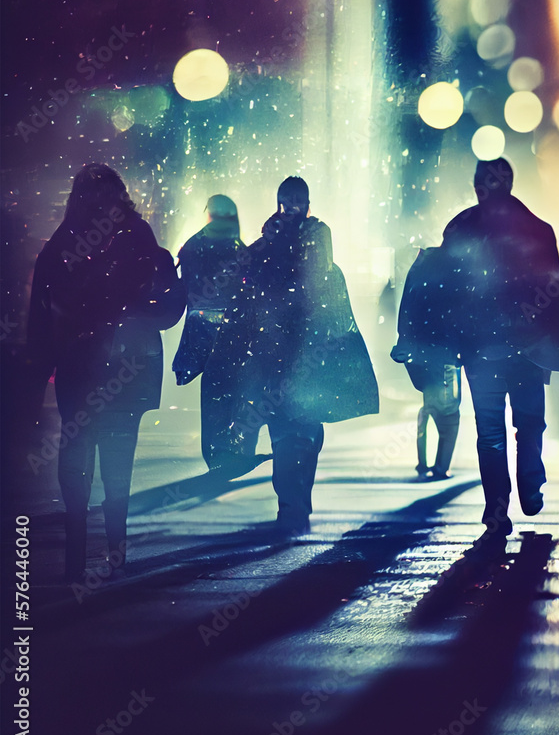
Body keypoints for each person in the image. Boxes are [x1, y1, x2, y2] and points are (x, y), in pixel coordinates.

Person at [26, 164, 185, 581]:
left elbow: (42, 320)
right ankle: (113, 553)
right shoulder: (135, 236)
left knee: (80, 456)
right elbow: (166, 305)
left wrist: (36, 375)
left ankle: (81, 559)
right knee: (114, 460)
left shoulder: (64, 244)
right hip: (122, 370)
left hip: (86, 369)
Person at [221, 176, 378, 534]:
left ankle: (295, 500)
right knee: (289, 428)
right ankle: (291, 503)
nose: (292, 207)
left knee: (302, 426)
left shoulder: (300, 243)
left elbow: (319, 288)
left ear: (306, 203)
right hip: (283, 353)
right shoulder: (269, 247)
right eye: (287, 200)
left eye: (297, 200)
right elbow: (251, 297)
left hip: (302, 352)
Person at [442, 158, 559, 550]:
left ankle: (497, 510)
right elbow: (553, 291)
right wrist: (557, 341)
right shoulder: (537, 229)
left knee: (491, 433)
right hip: (528, 348)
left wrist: (448, 341)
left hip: (481, 349)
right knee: (529, 423)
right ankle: (530, 485)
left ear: (477, 185)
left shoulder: (461, 228)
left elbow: (445, 292)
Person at [172, 194, 247, 469]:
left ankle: (216, 451)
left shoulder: (193, 246)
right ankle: (228, 449)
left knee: (215, 388)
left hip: (202, 326)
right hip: (231, 329)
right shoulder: (239, 248)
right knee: (231, 387)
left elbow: (186, 289)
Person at [391, 246, 462, 481]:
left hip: (420, 350)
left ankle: (423, 462)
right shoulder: (453, 266)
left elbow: (406, 307)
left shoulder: (419, 267)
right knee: (449, 412)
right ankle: (441, 466)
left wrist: (404, 341)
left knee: (429, 405)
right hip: (445, 351)